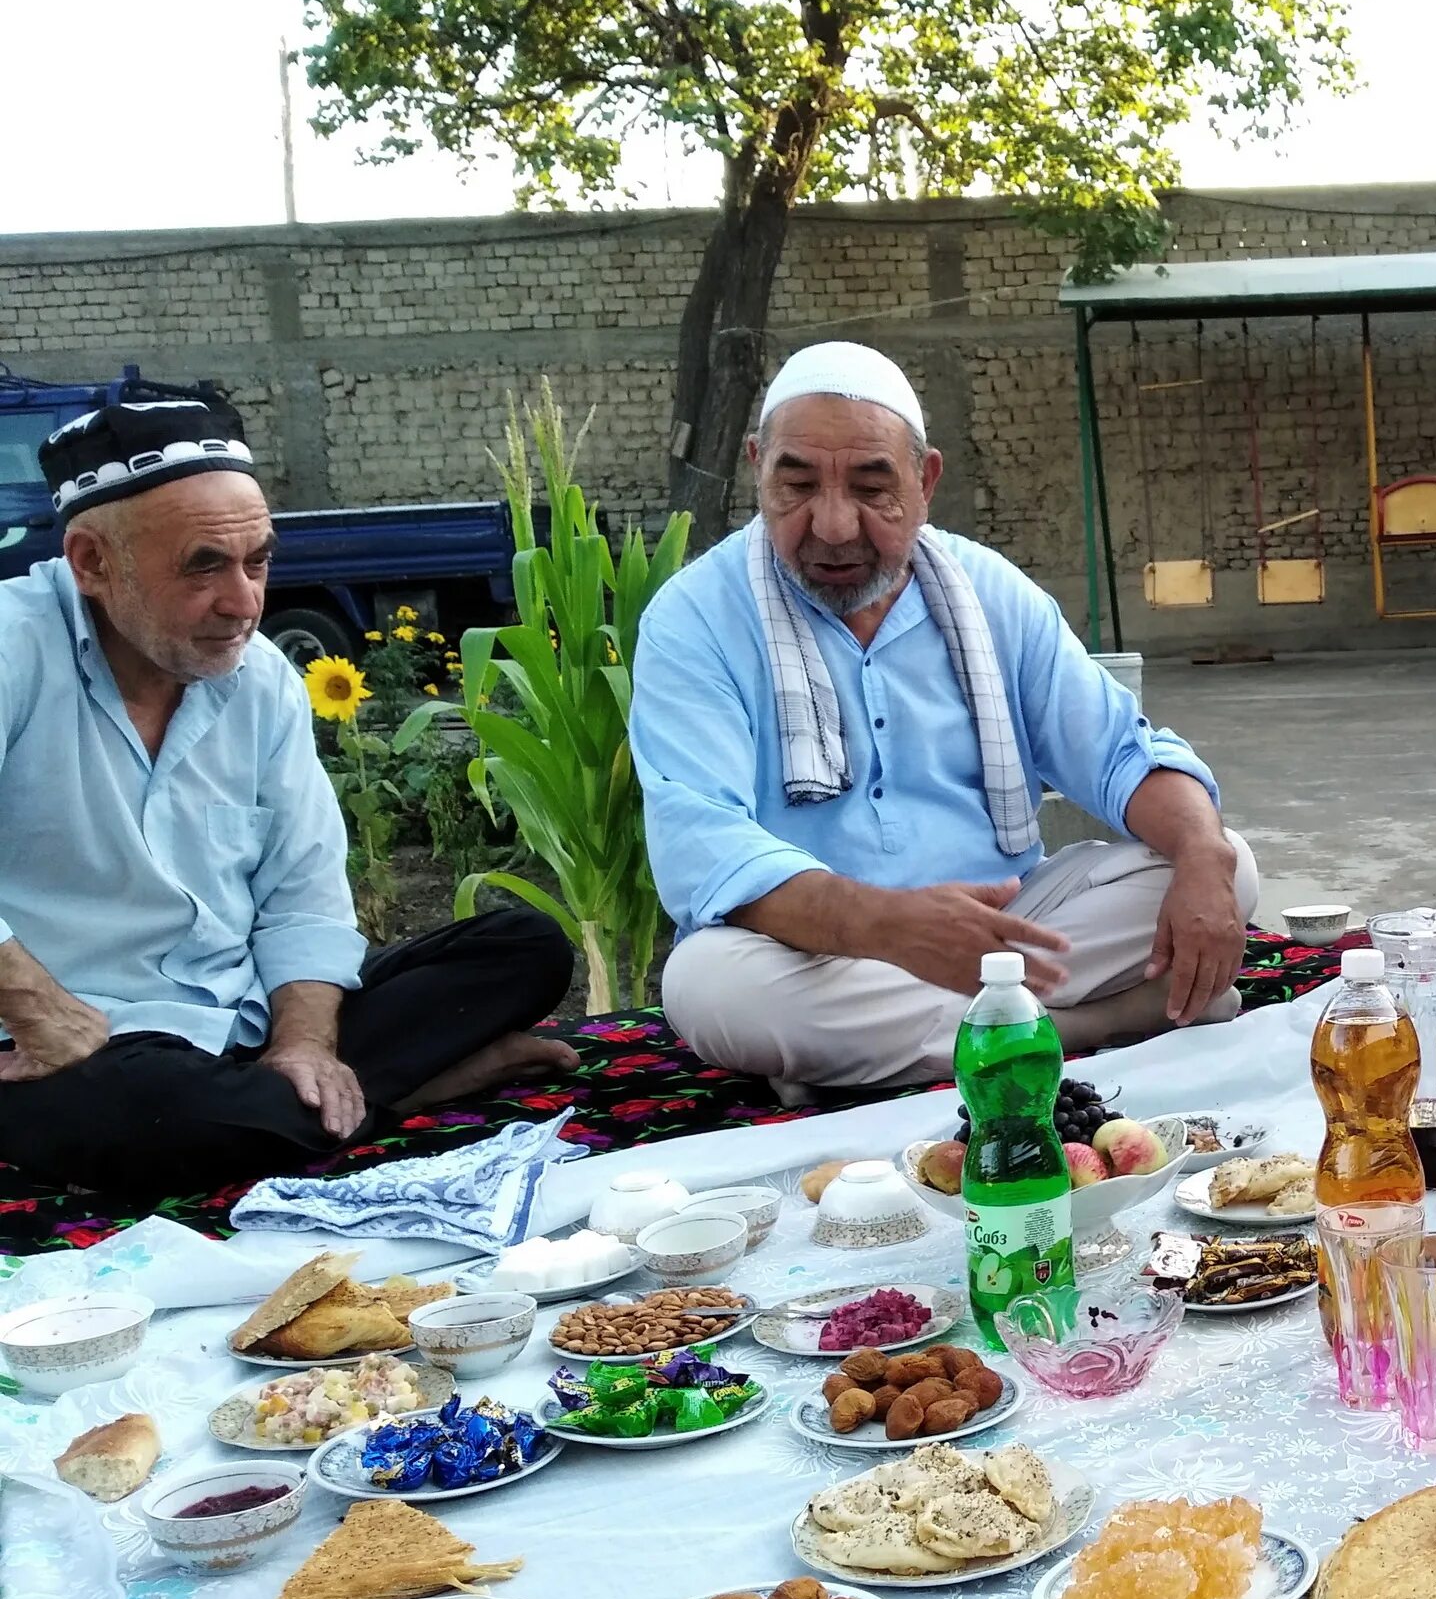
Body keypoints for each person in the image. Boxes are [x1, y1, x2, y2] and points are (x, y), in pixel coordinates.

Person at [633, 342, 1254, 1090]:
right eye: (796, 485)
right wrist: (888, 927)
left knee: (1222, 862)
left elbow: (1120, 753)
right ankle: (1092, 1023)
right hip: (810, 948)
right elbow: (705, 847)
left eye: (872, 488)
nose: (832, 525)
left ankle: (883, 1049)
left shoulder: (987, 589)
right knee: (709, 986)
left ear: (925, 481)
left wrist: (1200, 855)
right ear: (756, 466)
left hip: (1001, 926)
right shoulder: (694, 617)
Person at [0, 396, 574, 1199]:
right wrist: (33, 1005)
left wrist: (306, 1042)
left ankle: (302, 1097)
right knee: (151, 1111)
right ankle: (399, 1087)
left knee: (526, 946)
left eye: (258, 562)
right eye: (204, 566)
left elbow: (303, 889)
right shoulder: (12, 648)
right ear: (93, 562)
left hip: (237, 1018)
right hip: (75, 1043)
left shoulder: (262, 676)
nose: (243, 602)